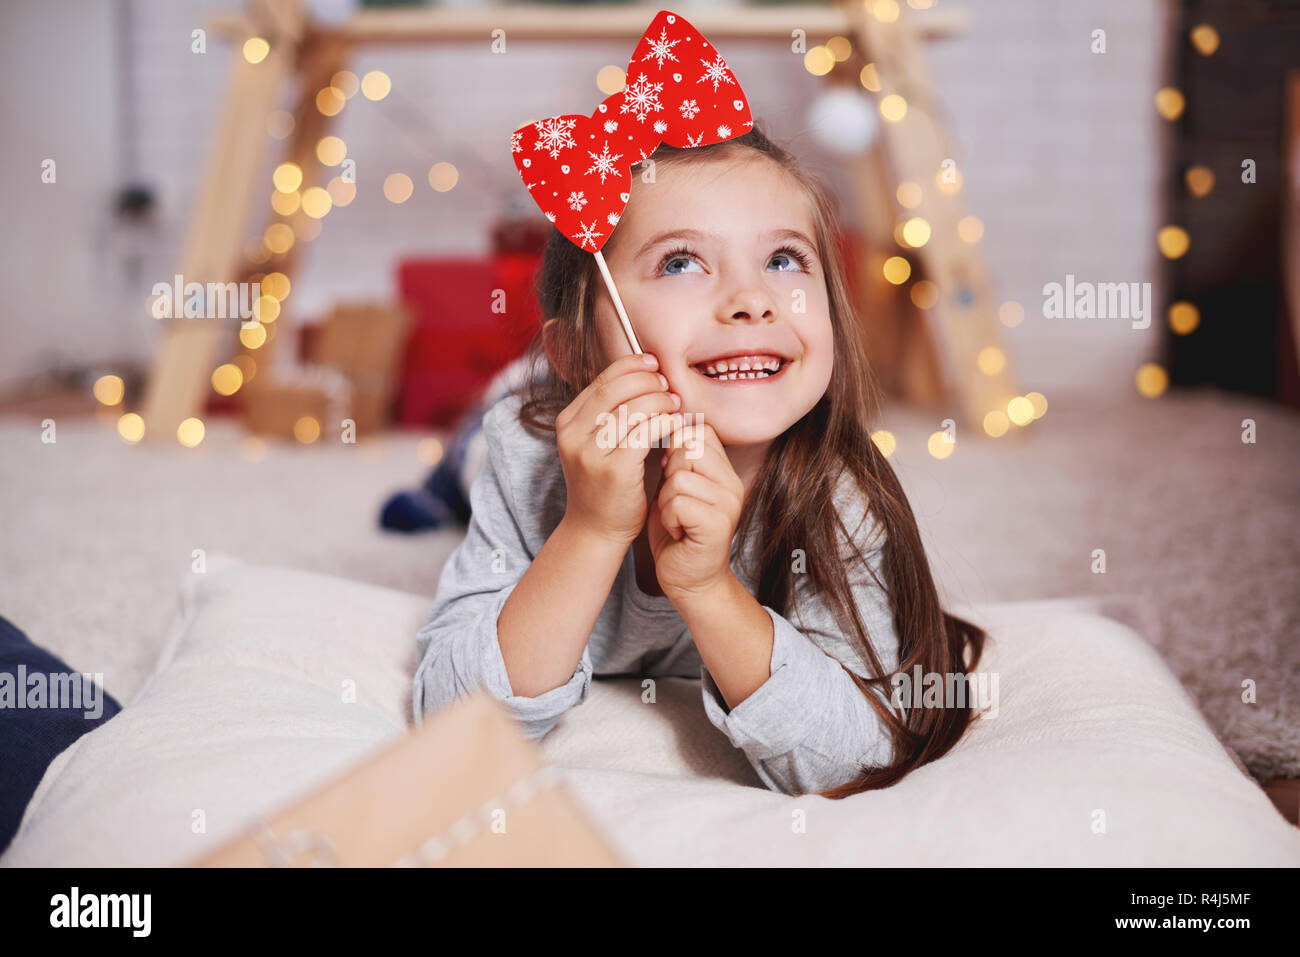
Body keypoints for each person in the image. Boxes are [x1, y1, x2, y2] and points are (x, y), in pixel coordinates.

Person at [412, 124, 986, 797]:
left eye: (783, 259)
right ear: (579, 352)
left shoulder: (839, 493)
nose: (751, 298)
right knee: (476, 441)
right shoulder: (527, 456)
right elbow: (458, 722)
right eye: (681, 262)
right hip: (520, 412)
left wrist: (709, 588)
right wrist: (590, 532)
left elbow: (860, 751)